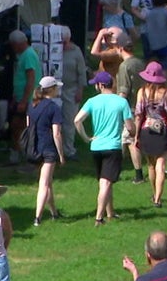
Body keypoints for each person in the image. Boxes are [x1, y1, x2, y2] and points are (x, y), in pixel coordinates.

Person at [75, 71, 134, 225]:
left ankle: (110, 212)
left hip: (96, 147)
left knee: (104, 181)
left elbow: (77, 121)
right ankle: (99, 218)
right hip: (113, 147)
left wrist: (86, 138)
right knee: (106, 183)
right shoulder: (121, 102)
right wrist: (133, 131)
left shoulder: (92, 101)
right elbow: (130, 126)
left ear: (100, 85)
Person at [134, 61, 167, 207]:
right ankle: (158, 199)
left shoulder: (141, 92)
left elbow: (138, 116)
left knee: (151, 165)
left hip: (146, 131)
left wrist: (136, 135)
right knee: (161, 165)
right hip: (162, 132)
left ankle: (154, 193)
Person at [28, 77, 67, 225]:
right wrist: (62, 155)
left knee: (48, 182)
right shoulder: (54, 108)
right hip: (48, 149)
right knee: (44, 183)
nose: (58, 89)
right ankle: (37, 217)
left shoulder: (33, 105)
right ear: (51, 90)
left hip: (35, 147)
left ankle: (54, 213)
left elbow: (28, 125)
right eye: (56, 87)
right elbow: (57, 134)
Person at [114, 32, 148, 185]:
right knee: (134, 140)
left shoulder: (124, 66)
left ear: (120, 48)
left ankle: (138, 175)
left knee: (129, 141)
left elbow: (123, 91)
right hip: (143, 106)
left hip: (130, 109)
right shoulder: (140, 63)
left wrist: (116, 110)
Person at [8, 29, 41, 163]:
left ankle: (21, 155)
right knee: (16, 126)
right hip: (21, 97)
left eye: (13, 45)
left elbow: (31, 80)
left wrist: (24, 101)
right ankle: (19, 153)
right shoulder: (24, 55)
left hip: (26, 99)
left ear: (19, 43)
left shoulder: (28, 55)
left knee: (19, 126)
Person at [58, 25, 88, 160]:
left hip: (71, 90)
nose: (62, 45)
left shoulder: (76, 51)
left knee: (69, 120)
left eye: (64, 42)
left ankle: (69, 149)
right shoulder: (55, 51)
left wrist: (80, 90)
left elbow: (82, 72)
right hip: (56, 90)